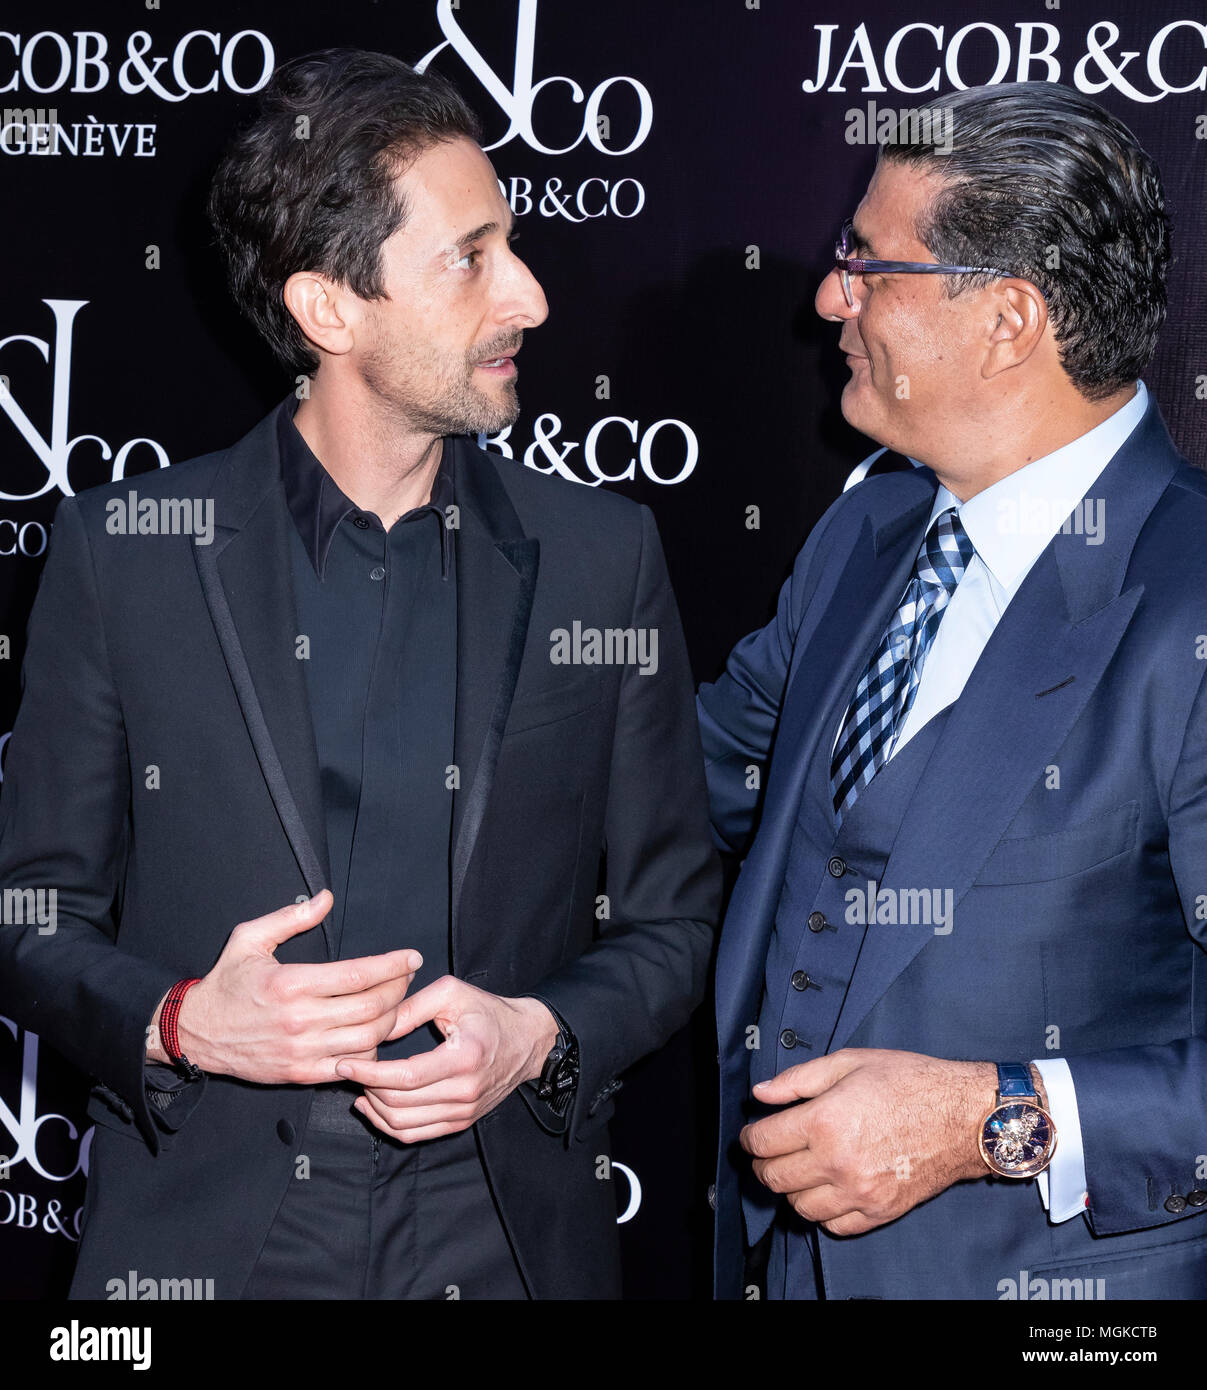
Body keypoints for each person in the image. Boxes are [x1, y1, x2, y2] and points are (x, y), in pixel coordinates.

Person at [0, 48, 719, 1301]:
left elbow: (673, 919)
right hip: (205, 1247)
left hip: (506, 1244)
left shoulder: (603, 558)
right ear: (331, 311)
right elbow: (28, 915)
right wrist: (180, 1021)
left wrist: (542, 1034)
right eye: (470, 257)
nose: (531, 297)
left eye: (513, 243)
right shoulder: (128, 555)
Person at [699, 80, 1207, 1300]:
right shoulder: (865, 534)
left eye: (869, 264)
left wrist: (994, 1116)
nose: (830, 297)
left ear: (1008, 319)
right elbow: (681, 779)